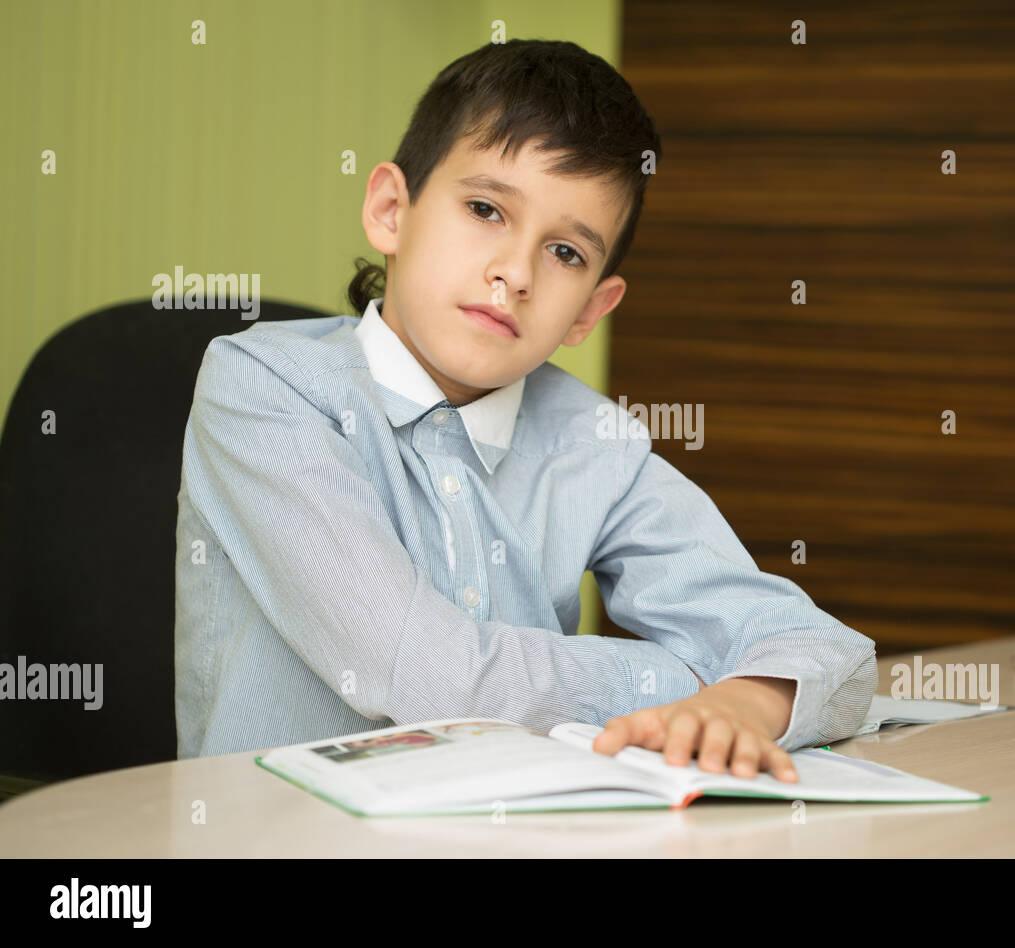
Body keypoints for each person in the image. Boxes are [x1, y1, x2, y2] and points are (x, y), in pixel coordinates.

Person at [175, 39, 877, 783]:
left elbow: (826, 650)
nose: (514, 273)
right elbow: (430, 675)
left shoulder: (592, 441)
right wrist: (691, 681)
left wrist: (743, 703)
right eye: (485, 210)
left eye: (566, 253)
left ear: (591, 310)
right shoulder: (263, 388)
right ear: (389, 212)